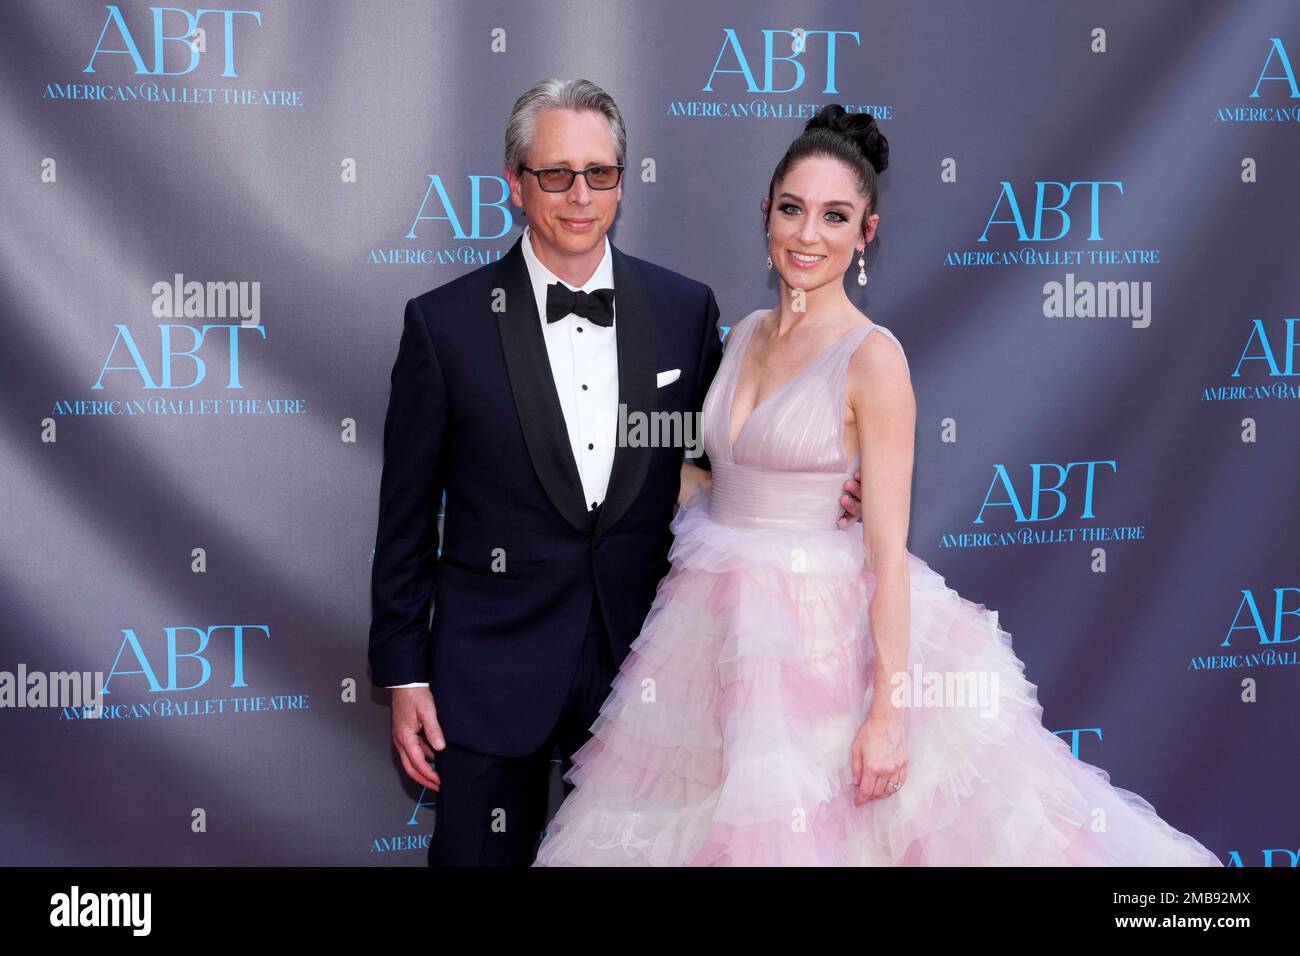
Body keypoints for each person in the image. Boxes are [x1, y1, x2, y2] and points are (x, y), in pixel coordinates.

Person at [532, 104, 1224, 866]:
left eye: (835, 217)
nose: (807, 235)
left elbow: (887, 553)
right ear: (766, 212)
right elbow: (710, 483)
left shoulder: (873, 357)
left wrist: (887, 717)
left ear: (866, 234)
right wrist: (606, 447)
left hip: (819, 642)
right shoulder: (743, 335)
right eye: (792, 210)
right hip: (711, 630)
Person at [367, 79, 868, 867]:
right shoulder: (444, 325)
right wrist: (403, 673)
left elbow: (715, 459)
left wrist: (819, 490)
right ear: (514, 184)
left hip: (651, 667)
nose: (579, 195)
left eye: (599, 173)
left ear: (622, 184)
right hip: (491, 668)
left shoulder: (683, 309)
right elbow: (402, 521)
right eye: (556, 173)